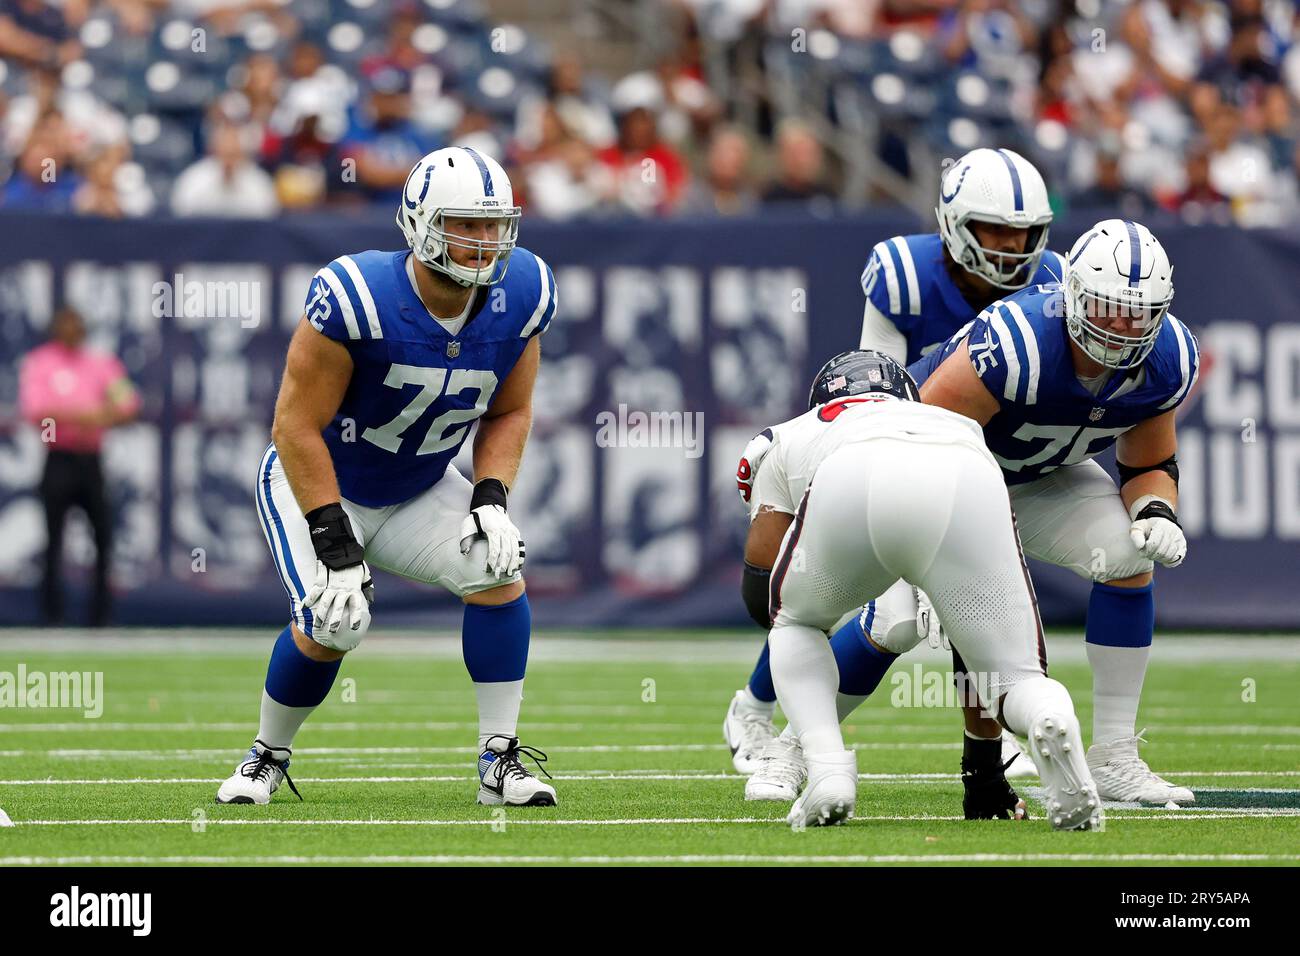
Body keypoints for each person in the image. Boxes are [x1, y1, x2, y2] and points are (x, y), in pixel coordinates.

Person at [216, 146, 559, 808]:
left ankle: (498, 760)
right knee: (336, 620)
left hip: (418, 483)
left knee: (496, 565)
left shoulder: (522, 294)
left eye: (493, 226)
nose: (484, 242)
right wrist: (334, 541)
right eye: (466, 224)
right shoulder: (359, 295)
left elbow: (512, 410)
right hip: (319, 481)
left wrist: (491, 497)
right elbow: (293, 428)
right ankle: (266, 754)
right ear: (420, 221)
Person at [728, 147, 1062, 807]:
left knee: (1113, 563)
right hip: (905, 457)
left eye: (1023, 231)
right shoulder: (904, 275)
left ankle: (1099, 750)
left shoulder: (1053, 284)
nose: (1011, 246)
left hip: (1001, 464)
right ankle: (779, 732)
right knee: (888, 615)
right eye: (994, 229)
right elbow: (872, 403)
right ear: (954, 225)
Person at [743, 350, 1101, 831]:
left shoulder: (789, 435)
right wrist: (933, 583)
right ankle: (1046, 712)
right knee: (1015, 676)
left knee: (795, 622)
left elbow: (759, 584)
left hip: (853, 473)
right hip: (968, 471)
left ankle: (827, 768)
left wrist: (823, 597)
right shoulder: (947, 420)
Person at [18, 307, 140, 625]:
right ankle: (51, 615)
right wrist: (89, 415)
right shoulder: (41, 362)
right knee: (52, 538)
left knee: (102, 536)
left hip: (90, 459)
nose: (72, 330)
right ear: (56, 328)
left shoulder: (101, 364)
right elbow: (35, 411)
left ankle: (100, 616)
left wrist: (78, 415)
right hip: (58, 458)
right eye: (66, 324)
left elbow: (128, 404)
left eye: (77, 324)